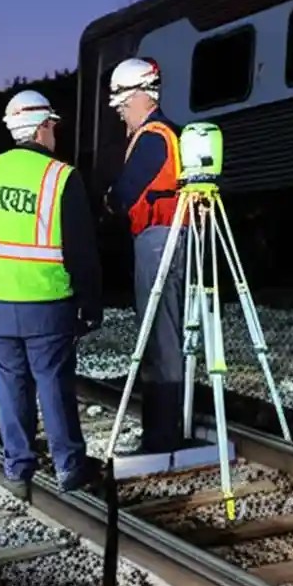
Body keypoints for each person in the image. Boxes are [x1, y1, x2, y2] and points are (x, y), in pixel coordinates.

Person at [0, 90, 104, 496]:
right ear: (43, 128)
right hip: (47, 306)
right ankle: (70, 468)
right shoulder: (61, 177)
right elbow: (82, 253)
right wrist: (90, 305)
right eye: (53, 126)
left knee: (10, 386)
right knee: (54, 385)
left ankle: (17, 465)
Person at [104, 57, 186, 456]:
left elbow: (123, 195)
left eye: (121, 104)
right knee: (166, 336)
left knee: (158, 338)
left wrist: (107, 201)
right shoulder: (170, 133)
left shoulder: (153, 136)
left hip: (158, 239)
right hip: (170, 236)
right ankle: (168, 428)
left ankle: (161, 436)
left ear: (139, 96)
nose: (120, 114)